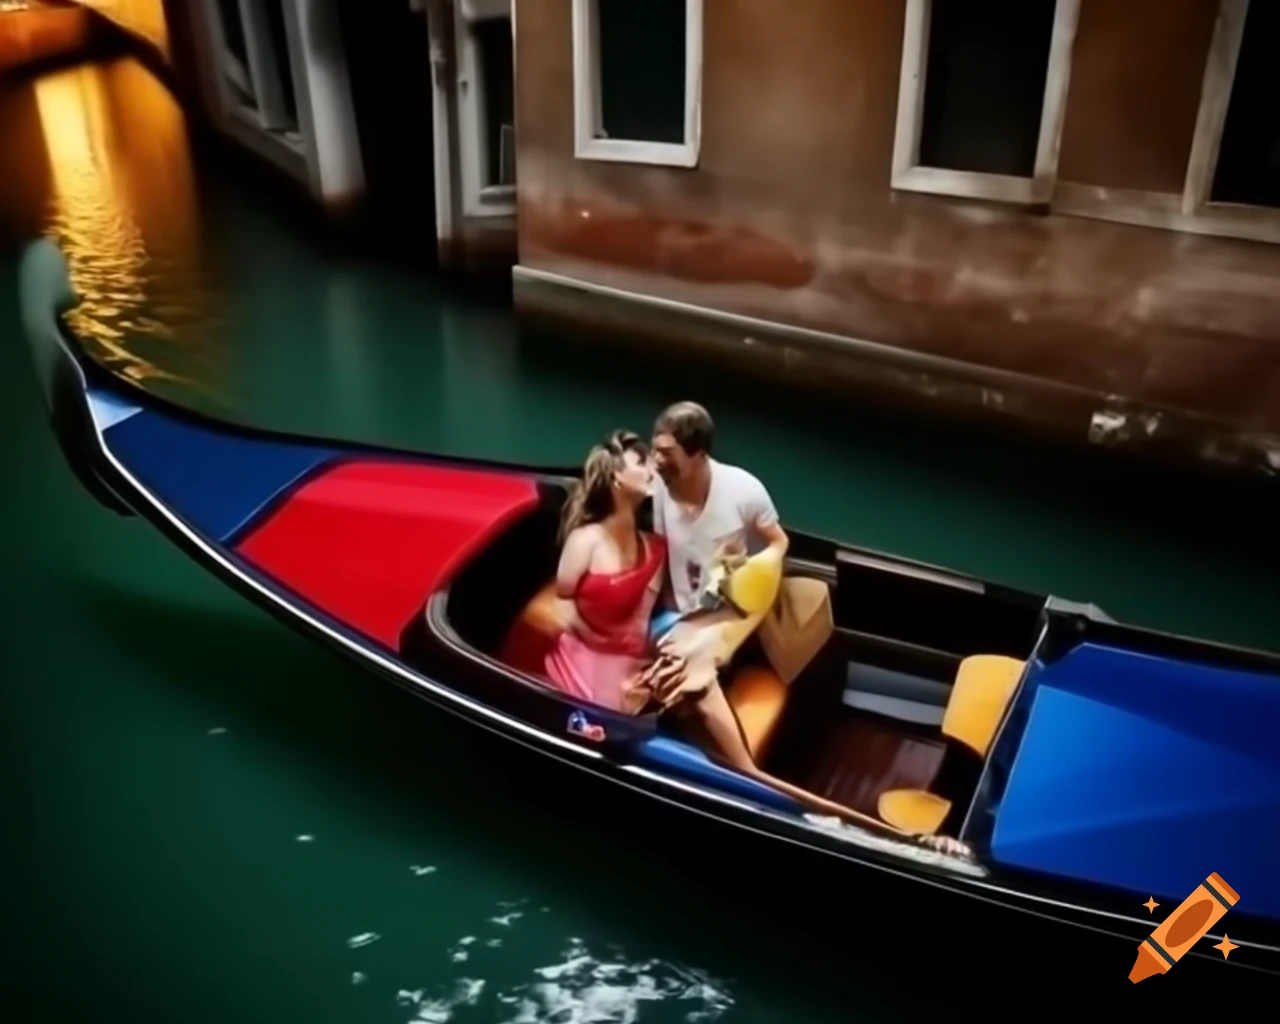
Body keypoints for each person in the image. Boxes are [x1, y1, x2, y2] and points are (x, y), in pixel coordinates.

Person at [543, 430, 669, 713]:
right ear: (616, 479)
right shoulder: (585, 541)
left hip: (625, 658)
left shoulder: (654, 548)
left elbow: (640, 621)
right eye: (641, 463)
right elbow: (562, 600)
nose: (652, 470)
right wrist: (594, 637)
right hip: (579, 660)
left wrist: (644, 660)